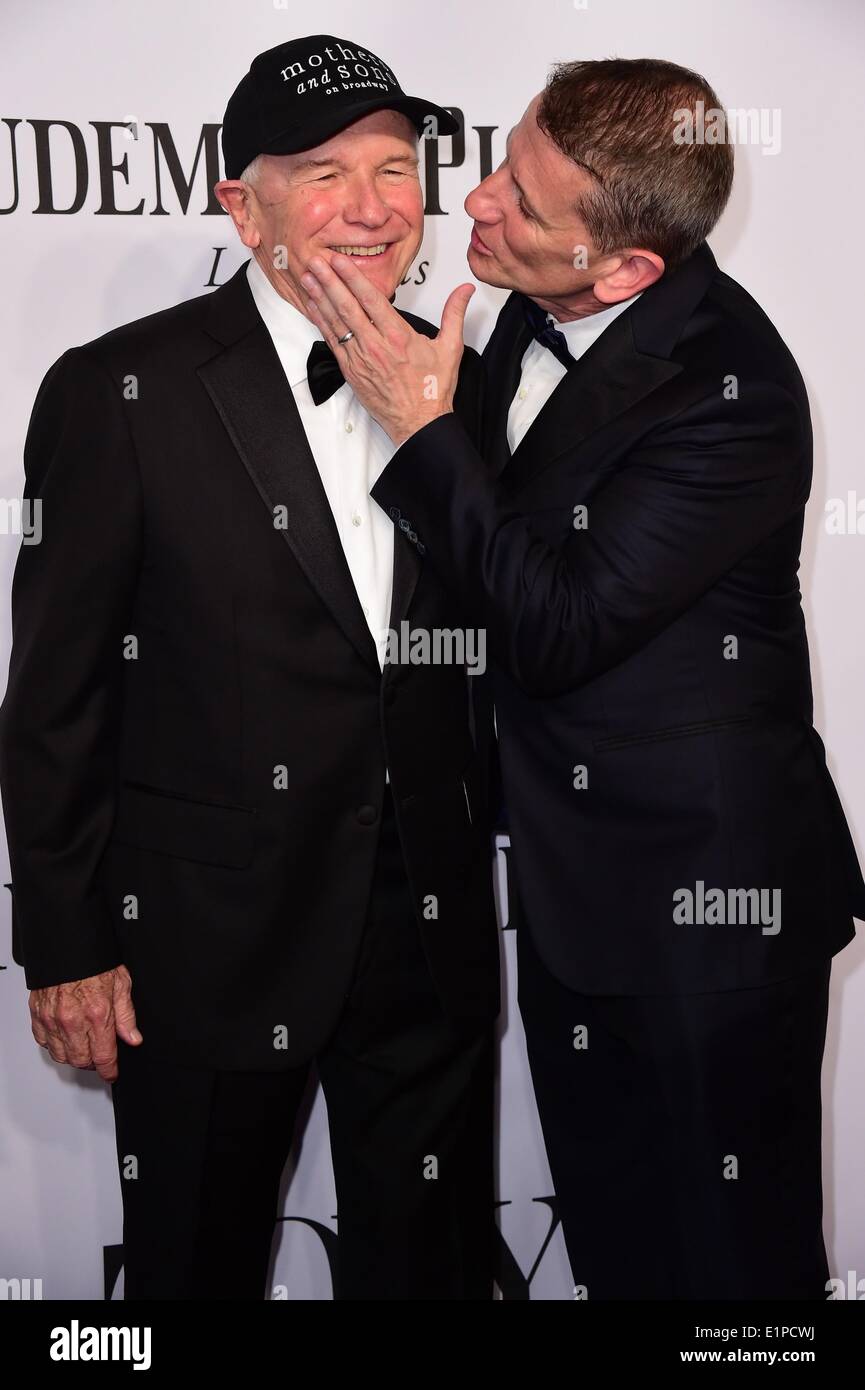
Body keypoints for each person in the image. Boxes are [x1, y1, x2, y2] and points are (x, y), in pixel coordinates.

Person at [299, 57, 865, 1300]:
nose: (479, 203)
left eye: (522, 201)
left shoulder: (734, 397)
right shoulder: (530, 312)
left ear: (626, 272)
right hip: (579, 895)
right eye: (503, 161)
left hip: (707, 914)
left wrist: (423, 429)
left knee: (730, 1274)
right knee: (617, 1251)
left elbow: (555, 621)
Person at [0, 34, 500, 1301]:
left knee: (426, 1273)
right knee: (188, 1272)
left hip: (424, 933)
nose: (374, 205)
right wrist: (63, 942)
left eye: (396, 168)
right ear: (241, 202)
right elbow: (54, 694)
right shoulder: (120, 389)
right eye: (322, 172)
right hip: (200, 940)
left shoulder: (470, 386)